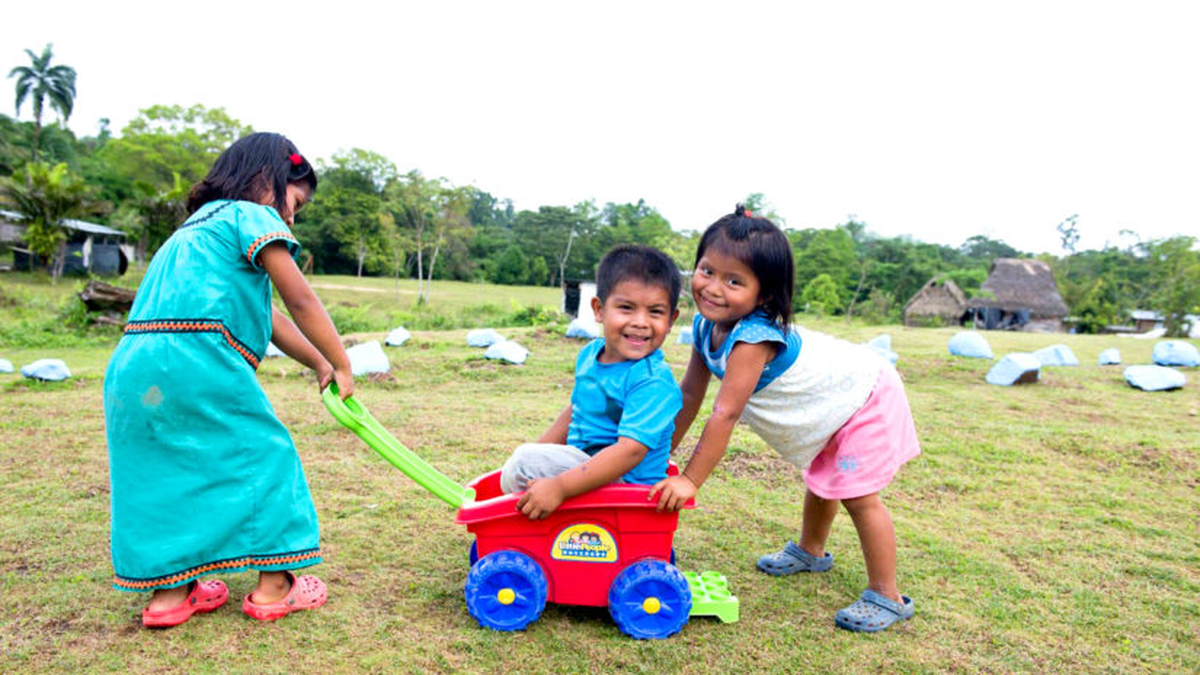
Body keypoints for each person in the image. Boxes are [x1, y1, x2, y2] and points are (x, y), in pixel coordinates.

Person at [103, 132, 354, 628]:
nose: (290, 218)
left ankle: (171, 595)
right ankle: (275, 586)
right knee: (267, 457)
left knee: (166, 474)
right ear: (267, 181)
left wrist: (317, 364)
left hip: (134, 375)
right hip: (197, 364)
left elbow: (272, 320)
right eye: (295, 203)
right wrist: (341, 361)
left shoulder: (188, 235)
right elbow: (298, 299)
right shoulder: (250, 215)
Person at [648, 205, 920, 632]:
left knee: (857, 494)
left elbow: (725, 413)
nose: (713, 288)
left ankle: (887, 595)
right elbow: (690, 394)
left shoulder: (754, 338)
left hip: (866, 397)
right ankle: (811, 551)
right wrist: (655, 456)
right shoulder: (705, 325)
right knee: (822, 475)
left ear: (765, 296)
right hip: (832, 403)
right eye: (707, 271)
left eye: (734, 281)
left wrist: (690, 479)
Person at [501, 245, 683, 519]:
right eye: (626, 308)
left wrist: (559, 486)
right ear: (599, 309)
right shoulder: (589, 355)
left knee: (525, 464)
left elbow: (629, 452)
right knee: (527, 459)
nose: (640, 322)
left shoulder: (652, 382)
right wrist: (540, 450)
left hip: (627, 489)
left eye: (655, 312)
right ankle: (531, 518)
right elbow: (577, 409)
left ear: (671, 320)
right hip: (587, 467)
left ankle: (524, 525)